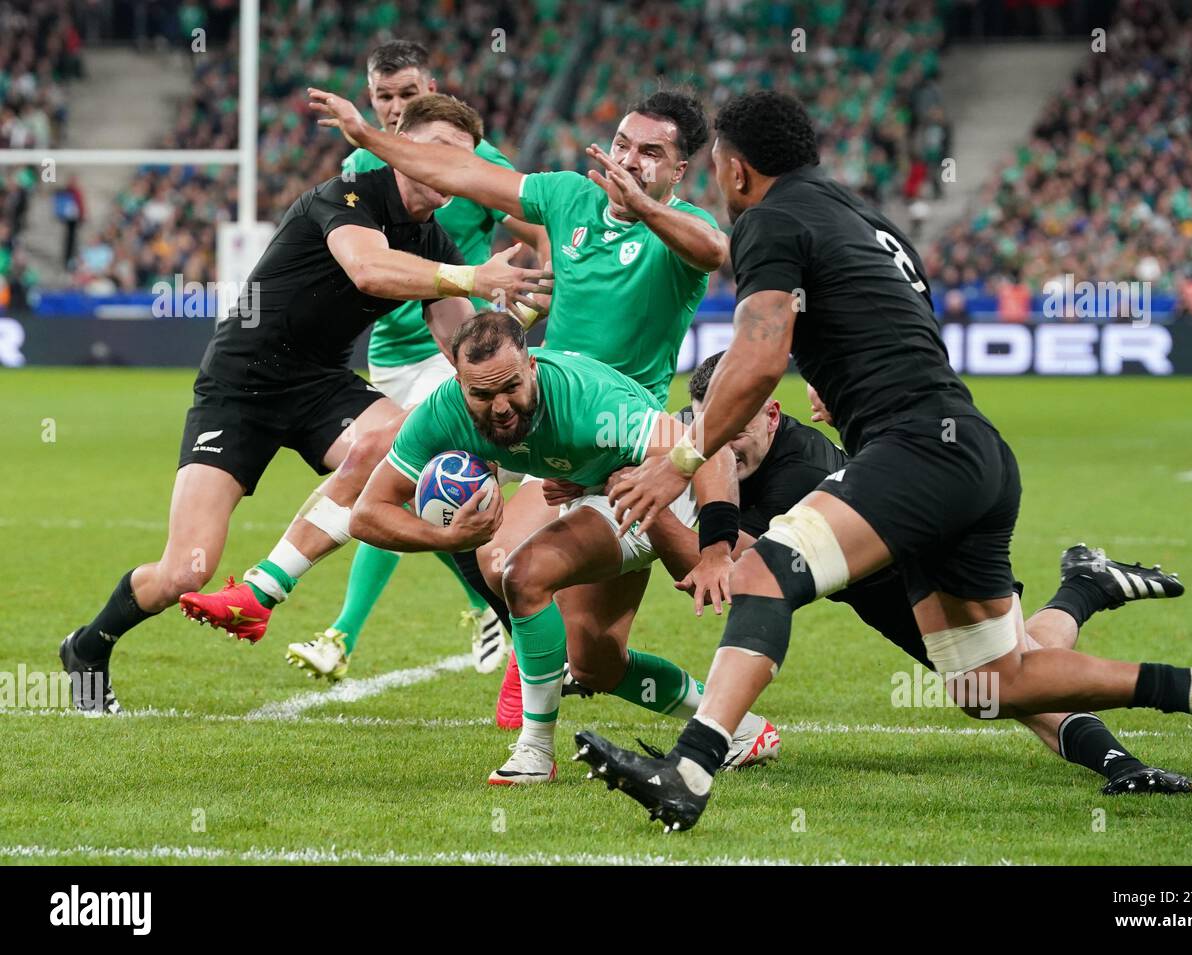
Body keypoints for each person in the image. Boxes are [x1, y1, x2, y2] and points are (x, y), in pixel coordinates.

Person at [574, 92, 1192, 830]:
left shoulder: (766, 220)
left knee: (763, 572)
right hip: (969, 451)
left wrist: (679, 458)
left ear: (736, 170)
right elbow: (891, 326)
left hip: (916, 450)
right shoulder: (869, 218)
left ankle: (689, 769)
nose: (717, 182)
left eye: (713, 167)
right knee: (989, 682)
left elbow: (757, 356)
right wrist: (847, 390)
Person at [59, 96, 549, 713]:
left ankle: (509, 632)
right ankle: (89, 645)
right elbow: (368, 269)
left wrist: (521, 318)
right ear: (401, 146)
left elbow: (464, 349)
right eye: (441, 153)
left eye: (464, 160)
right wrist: (475, 278)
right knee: (185, 570)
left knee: (408, 450)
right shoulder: (346, 195)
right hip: (239, 384)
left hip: (321, 383)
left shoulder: (435, 239)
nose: (454, 171)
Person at [306, 83, 729, 728]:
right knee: (530, 589)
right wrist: (368, 139)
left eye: (650, 153)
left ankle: (575, 702)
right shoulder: (566, 196)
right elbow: (462, 172)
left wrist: (644, 207)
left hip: (629, 444)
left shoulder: (686, 230)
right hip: (551, 427)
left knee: (593, 649)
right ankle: (710, 722)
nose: (629, 161)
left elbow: (716, 254)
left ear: (679, 170)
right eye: (622, 145)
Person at [620, 352, 1192, 795]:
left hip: (928, 572)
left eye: (736, 430)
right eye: (712, 430)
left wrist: (655, 508)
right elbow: (669, 451)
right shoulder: (708, 436)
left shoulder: (801, 470)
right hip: (884, 585)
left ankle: (1125, 754)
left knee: (1011, 685)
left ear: (772, 414)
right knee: (1010, 678)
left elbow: (745, 573)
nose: (724, 445)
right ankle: (1087, 585)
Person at [349, 312, 777, 784]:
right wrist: (446, 538)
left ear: (531, 366)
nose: (500, 407)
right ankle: (741, 727)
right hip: (590, 485)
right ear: (458, 382)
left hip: (646, 485)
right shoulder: (442, 411)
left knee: (522, 573)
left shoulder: (592, 405)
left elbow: (708, 449)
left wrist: (716, 549)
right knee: (596, 664)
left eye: (511, 386)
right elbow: (366, 513)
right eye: (482, 394)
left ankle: (534, 752)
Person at [286, 40, 550, 682]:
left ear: (432, 88)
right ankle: (490, 607)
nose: (396, 109)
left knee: (399, 475)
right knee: (414, 484)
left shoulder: (481, 163)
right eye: (384, 98)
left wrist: (518, 322)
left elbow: (540, 240)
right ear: (371, 101)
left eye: (408, 94)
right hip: (389, 348)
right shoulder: (361, 165)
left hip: (453, 346)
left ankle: (341, 633)